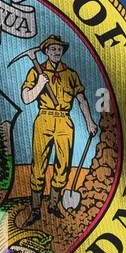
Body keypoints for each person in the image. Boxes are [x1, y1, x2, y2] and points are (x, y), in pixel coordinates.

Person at [20, 35, 97, 223]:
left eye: (59, 49)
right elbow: (26, 98)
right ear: (45, 51)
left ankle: (54, 205)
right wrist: (40, 84)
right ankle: (36, 209)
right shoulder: (36, 72)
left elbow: (81, 99)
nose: (56, 52)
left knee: (63, 165)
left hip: (64, 121)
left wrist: (89, 122)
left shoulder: (70, 74)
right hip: (44, 119)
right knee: (39, 165)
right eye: (52, 49)